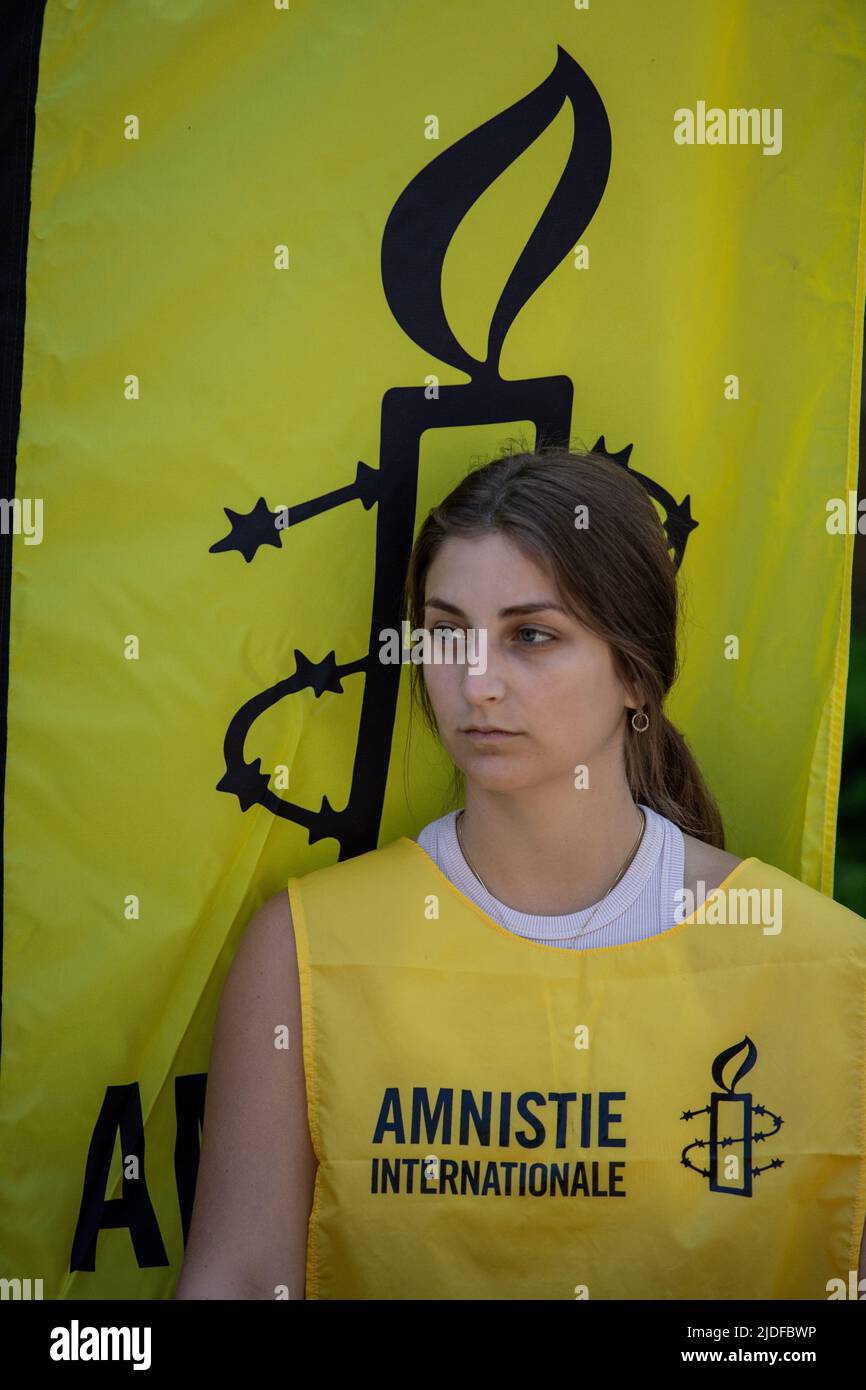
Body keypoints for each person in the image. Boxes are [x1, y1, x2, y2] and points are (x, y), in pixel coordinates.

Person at [174, 445, 866, 1301]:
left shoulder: (826, 967)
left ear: (636, 673)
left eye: (531, 636)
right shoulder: (306, 953)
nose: (478, 681)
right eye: (448, 631)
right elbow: (238, 1283)